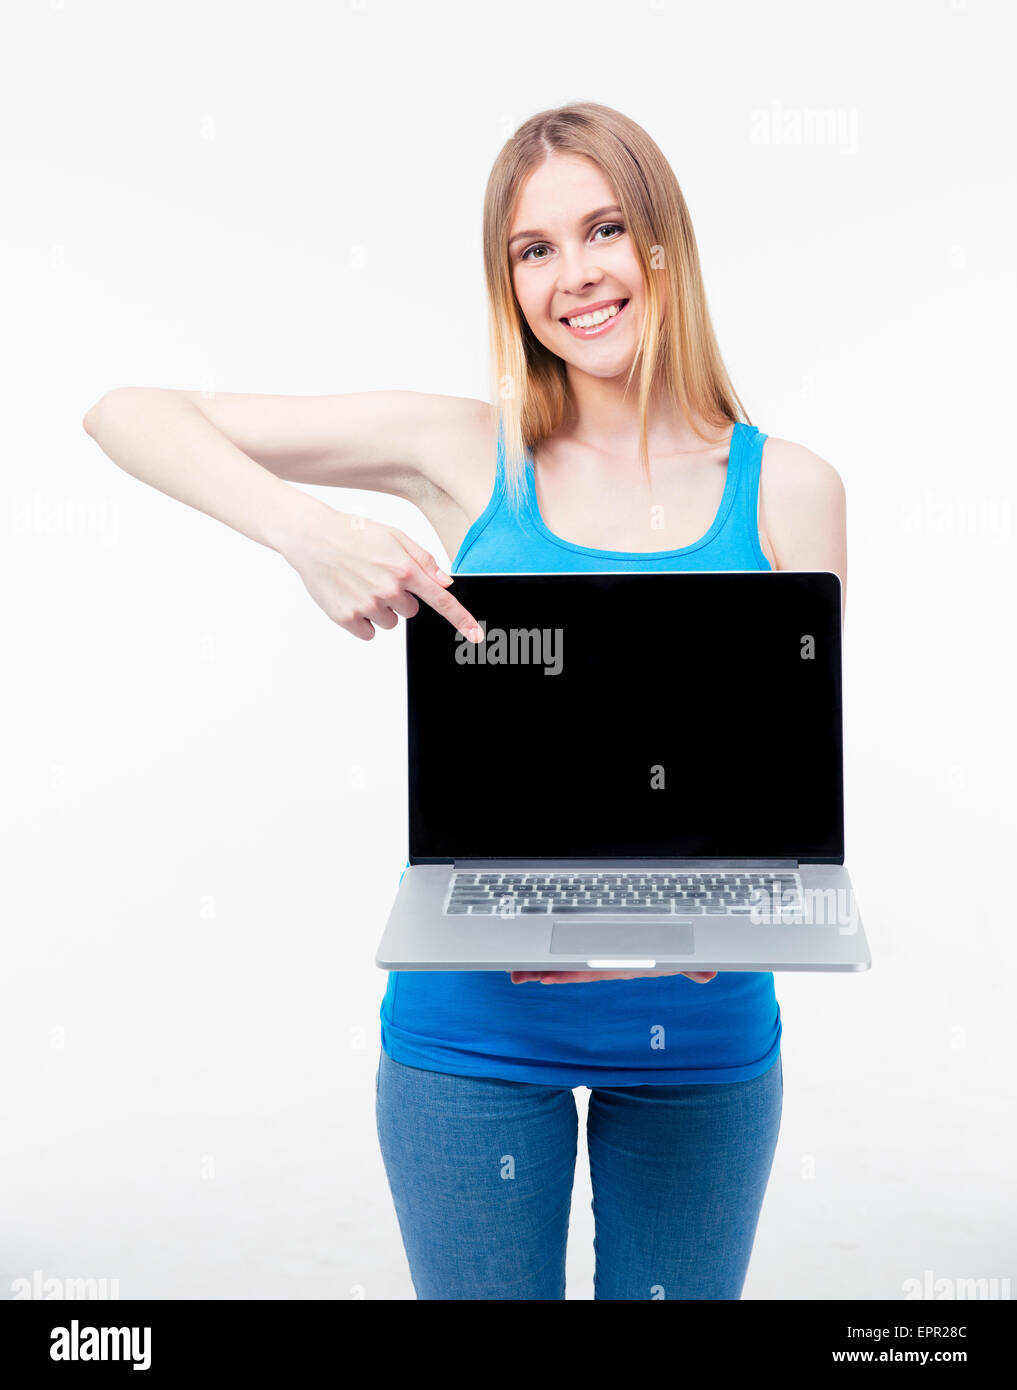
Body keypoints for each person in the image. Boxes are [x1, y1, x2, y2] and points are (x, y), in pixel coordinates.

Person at [83, 101, 847, 1300]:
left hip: (700, 1037)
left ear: (663, 243)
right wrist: (312, 533)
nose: (575, 276)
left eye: (603, 229)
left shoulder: (792, 490)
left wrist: (661, 943)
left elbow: (789, 823)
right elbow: (128, 411)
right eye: (532, 250)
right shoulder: (463, 452)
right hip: (472, 1036)